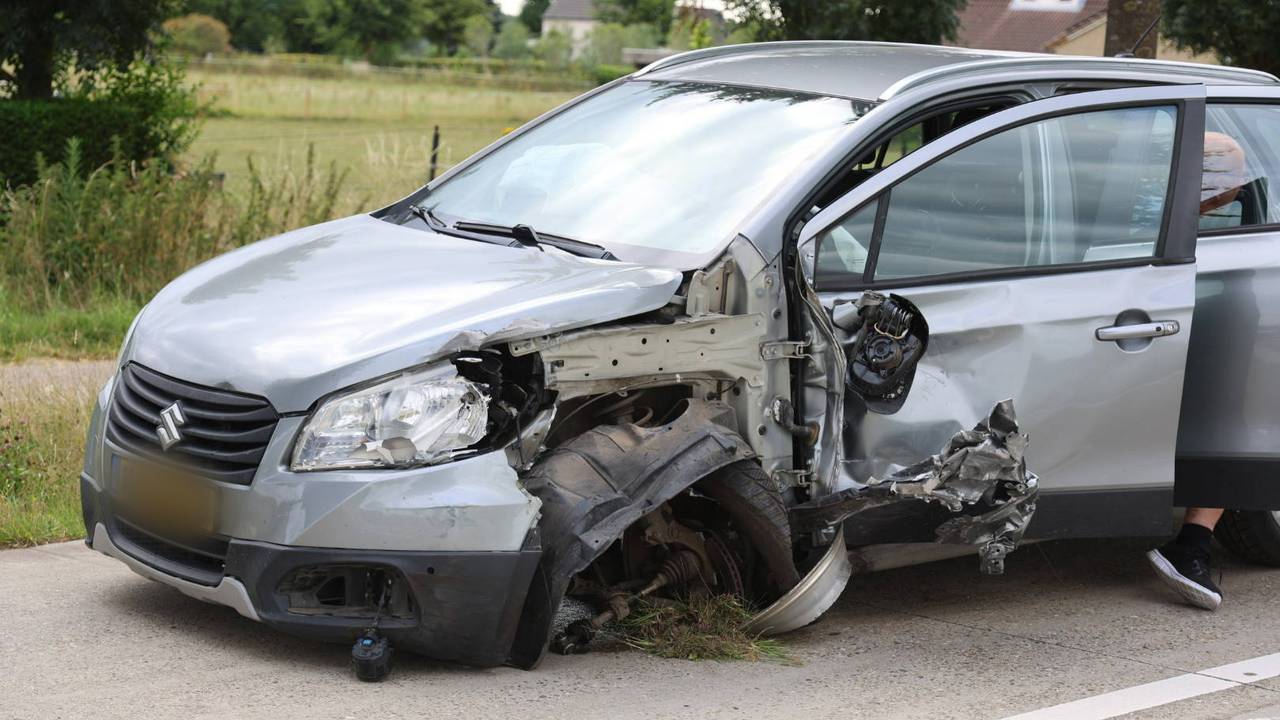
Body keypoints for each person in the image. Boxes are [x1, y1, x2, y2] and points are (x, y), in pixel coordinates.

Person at [1146, 131, 1249, 611]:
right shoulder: (1151, 214)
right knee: (1225, 418)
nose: (1239, 182)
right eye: (1230, 173)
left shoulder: (1243, 234)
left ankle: (1192, 544)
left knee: (1226, 418)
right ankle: (1190, 544)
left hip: (1211, 312)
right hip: (1164, 314)